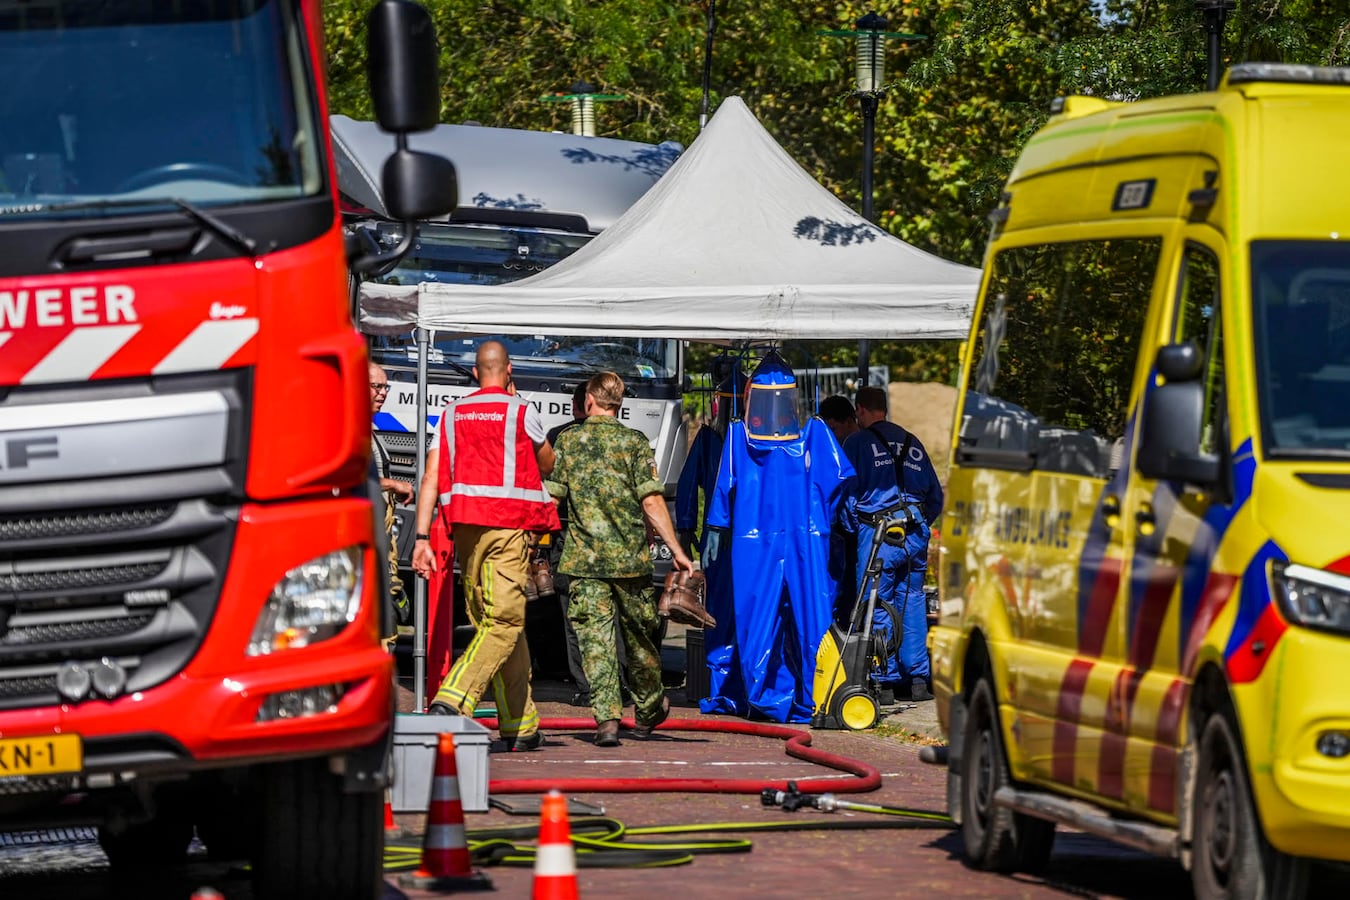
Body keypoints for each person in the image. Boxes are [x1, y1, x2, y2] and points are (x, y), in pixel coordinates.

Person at [411, 341, 558, 751]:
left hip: (465, 532)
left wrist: (421, 537)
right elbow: (548, 464)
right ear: (508, 370)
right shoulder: (521, 411)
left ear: (476, 373)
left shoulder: (452, 414)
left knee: (496, 623)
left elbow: (430, 478)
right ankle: (453, 699)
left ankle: (520, 725)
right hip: (507, 528)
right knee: (504, 622)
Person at [701, 352, 855, 723]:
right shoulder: (812, 438)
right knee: (800, 616)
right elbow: (840, 483)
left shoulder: (742, 437)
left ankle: (779, 694)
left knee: (763, 617)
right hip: (803, 542)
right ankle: (809, 694)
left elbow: (724, 489)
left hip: (757, 544)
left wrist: (718, 527)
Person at [544, 372, 694, 747]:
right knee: (640, 639)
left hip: (584, 562)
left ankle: (607, 720)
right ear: (620, 404)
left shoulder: (569, 441)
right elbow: (651, 501)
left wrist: (530, 543)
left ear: (590, 400)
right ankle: (646, 710)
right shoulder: (635, 442)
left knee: (595, 642)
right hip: (630, 562)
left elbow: (553, 500)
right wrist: (676, 551)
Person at [841, 385, 944, 702]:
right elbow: (936, 498)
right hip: (914, 534)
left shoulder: (856, 443)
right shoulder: (913, 443)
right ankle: (916, 681)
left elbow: (846, 493)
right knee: (912, 602)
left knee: (877, 603)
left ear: (860, 411)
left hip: (878, 534)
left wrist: (853, 529)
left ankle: (884, 682)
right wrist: (919, 524)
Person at [546, 382, 629, 706]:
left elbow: (552, 494)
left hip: (573, 541)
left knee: (576, 619)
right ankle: (619, 684)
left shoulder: (562, 438)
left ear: (584, 402)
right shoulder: (627, 438)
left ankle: (586, 687)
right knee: (616, 620)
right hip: (618, 545)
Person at [369, 362, 412, 637]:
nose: (383, 393)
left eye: (386, 387)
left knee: (388, 589)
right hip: (368, 526)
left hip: (382, 527)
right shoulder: (346, 424)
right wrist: (394, 484)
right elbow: (352, 474)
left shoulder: (369, 426)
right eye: (376, 386)